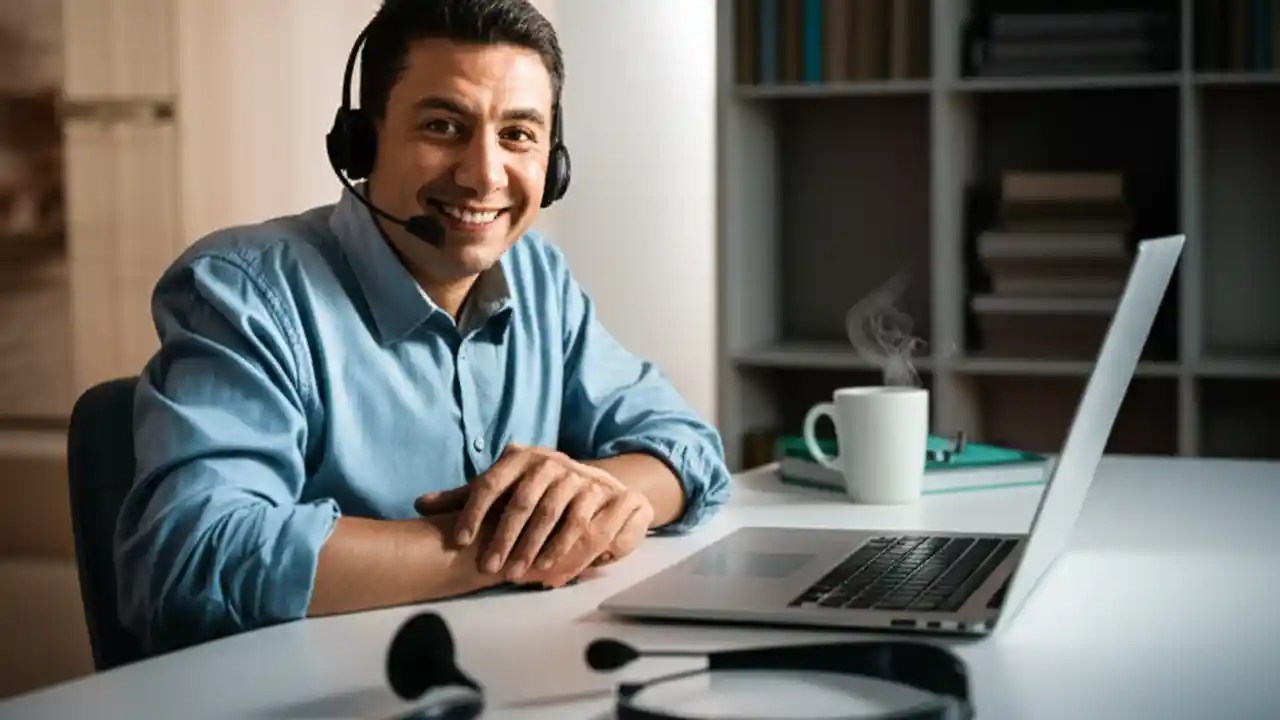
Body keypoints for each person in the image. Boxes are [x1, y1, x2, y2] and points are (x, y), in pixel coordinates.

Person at [113, 0, 731, 655]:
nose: (484, 174)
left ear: (554, 163)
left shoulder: (539, 278)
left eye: (519, 134)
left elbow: (688, 449)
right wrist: (510, 543)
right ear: (363, 141)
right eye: (442, 125)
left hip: (514, 673)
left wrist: (590, 502)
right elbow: (192, 558)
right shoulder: (243, 290)